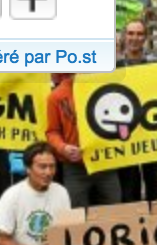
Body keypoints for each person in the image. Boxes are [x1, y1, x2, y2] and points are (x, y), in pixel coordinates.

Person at [45, 74, 121, 207]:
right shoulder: (56, 96)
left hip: (106, 163)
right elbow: (52, 131)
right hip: (75, 168)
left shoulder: (104, 88)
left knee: (113, 211)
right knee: (77, 215)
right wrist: (63, 148)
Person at [117, 20, 157, 202]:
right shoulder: (114, 66)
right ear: (124, 36)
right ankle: (133, 217)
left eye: (139, 34)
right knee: (129, 178)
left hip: (150, 126)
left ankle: (156, 216)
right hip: (125, 127)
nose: (134, 38)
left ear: (145, 37)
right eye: (131, 33)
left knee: (152, 176)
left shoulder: (156, 63)